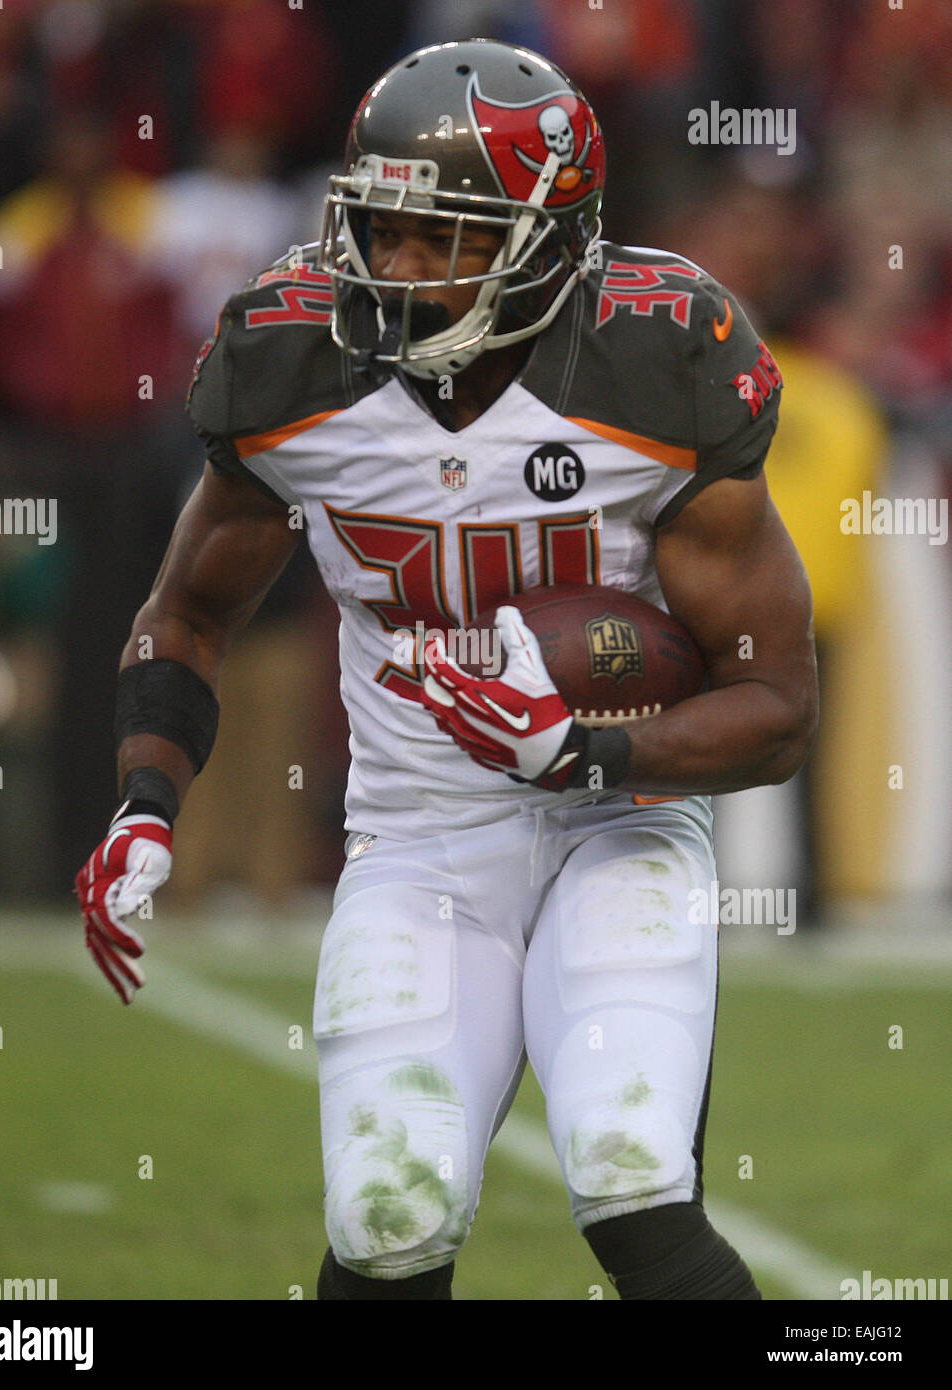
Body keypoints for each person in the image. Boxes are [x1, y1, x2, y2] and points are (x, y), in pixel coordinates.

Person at [75, 39, 818, 1300]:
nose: (398, 269)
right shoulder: (292, 357)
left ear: (551, 241)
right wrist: (147, 803)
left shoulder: (656, 357)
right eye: (379, 228)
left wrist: (587, 750)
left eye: (447, 238)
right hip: (420, 833)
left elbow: (779, 706)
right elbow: (187, 611)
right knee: (385, 1215)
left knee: (630, 1168)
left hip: (617, 824)